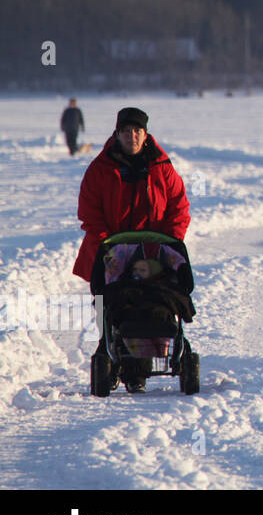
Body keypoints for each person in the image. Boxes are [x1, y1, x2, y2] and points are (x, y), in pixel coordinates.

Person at [73, 107, 191, 392]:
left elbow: (179, 208)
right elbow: (89, 213)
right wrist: (109, 246)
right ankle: (112, 355)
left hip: (154, 253)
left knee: (151, 303)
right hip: (110, 252)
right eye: (126, 131)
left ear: (146, 134)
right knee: (111, 304)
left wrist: (167, 246)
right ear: (117, 134)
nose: (132, 136)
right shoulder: (100, 169)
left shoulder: (162, 167)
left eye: (137, 131)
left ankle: (138, 369)